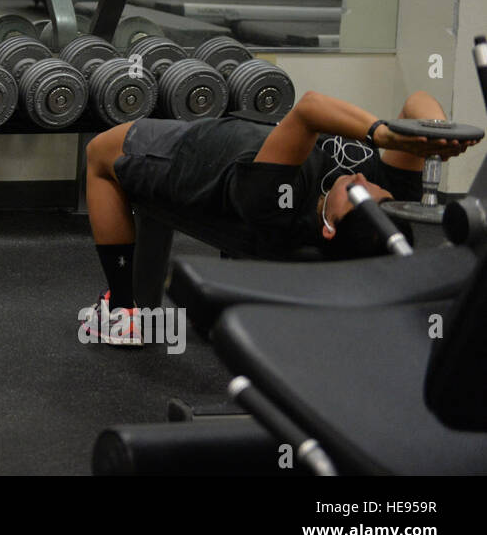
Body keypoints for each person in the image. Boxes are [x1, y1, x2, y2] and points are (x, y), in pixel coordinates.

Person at [80, 89, 479, 346]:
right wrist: (437, 135)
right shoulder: (385, 202)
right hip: (249, 133)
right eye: (380, 194)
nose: (362, 179)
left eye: (357, 193)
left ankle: (124, 311)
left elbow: (309, 109)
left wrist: (383, 135)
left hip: (193, 156)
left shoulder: (278, 203)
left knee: (99, 154)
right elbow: (417, 100)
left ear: (330, 225)